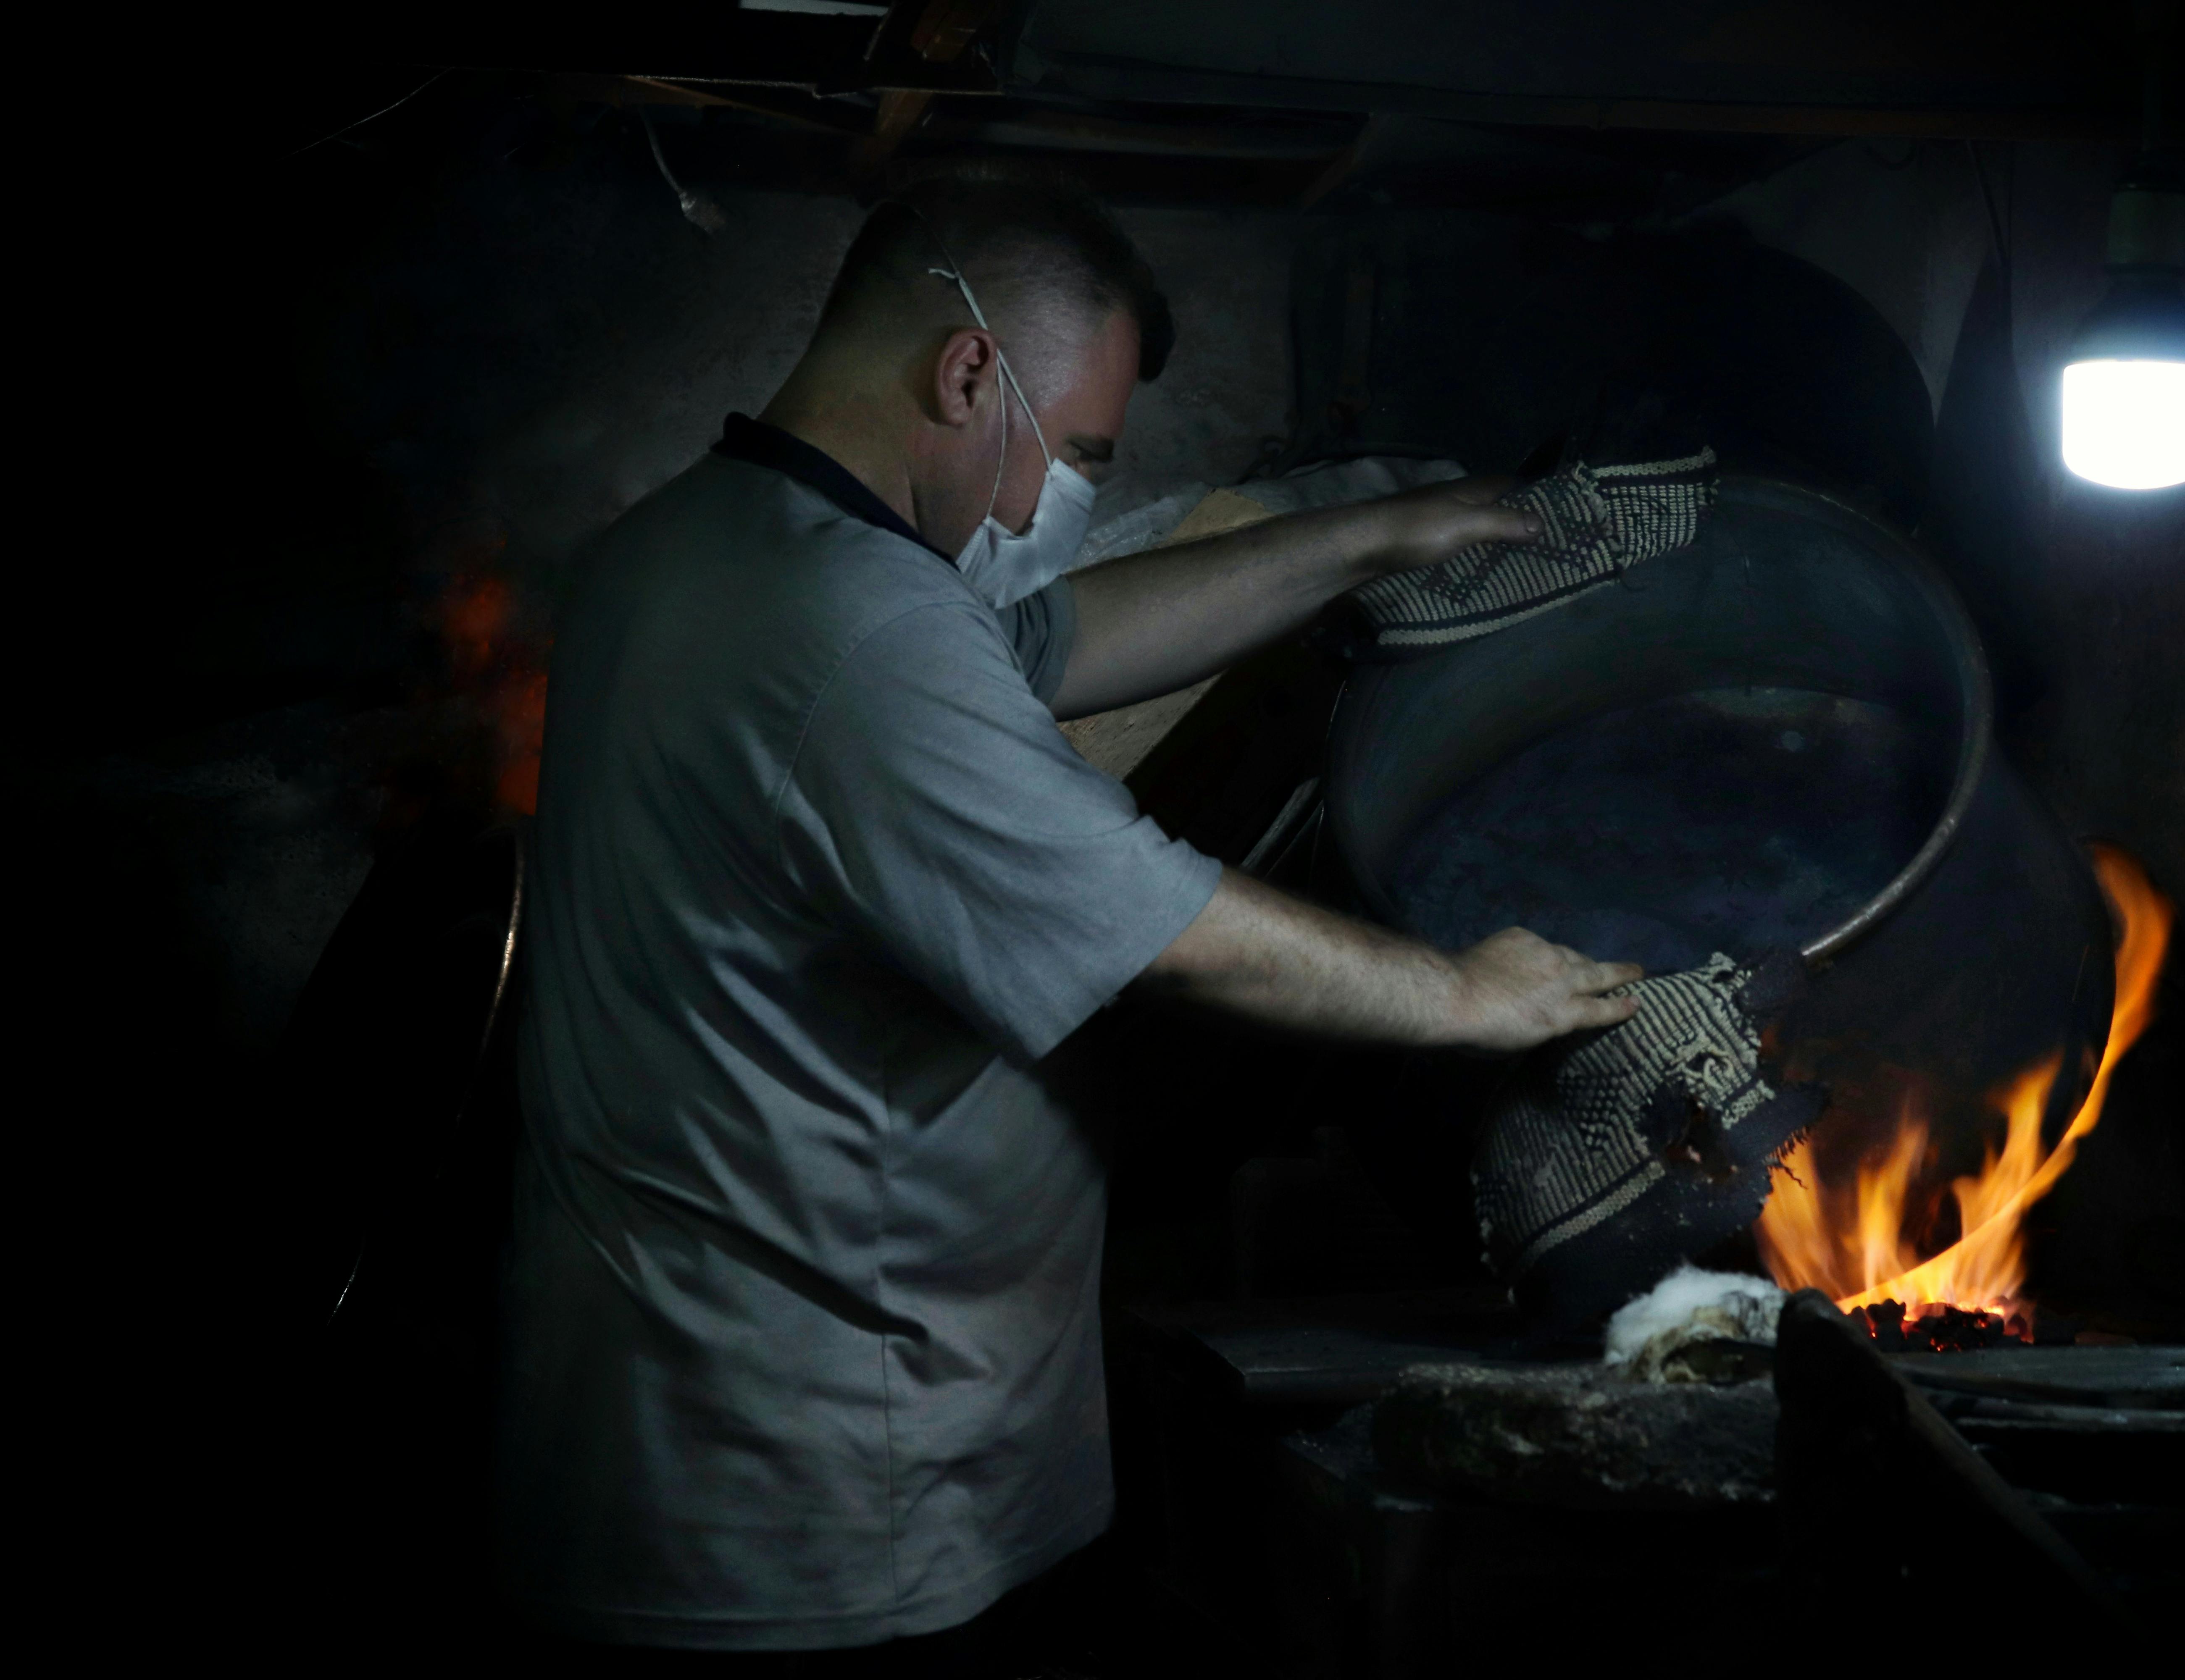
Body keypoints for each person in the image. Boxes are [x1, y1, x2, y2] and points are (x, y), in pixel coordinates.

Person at [497, 171, 1641, 1666]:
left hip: (677, 1421)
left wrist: (1379, 536)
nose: (1052, 508)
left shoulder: (693, 552)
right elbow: (1155, 922)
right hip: (822, 1499)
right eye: (1078, 455)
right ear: (967, 369)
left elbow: (1057, 636)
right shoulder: (854, 631)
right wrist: (1470, 996)